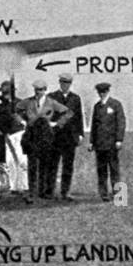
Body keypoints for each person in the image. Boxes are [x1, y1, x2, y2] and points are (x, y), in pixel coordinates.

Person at [15, 80, 70, 200]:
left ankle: (42, 191)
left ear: (45, 90)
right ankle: (32, 192)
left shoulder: (51, 102)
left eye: (41, 90)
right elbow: (16, 110)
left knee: (44, 165)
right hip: (31, 135)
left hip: (45, 135)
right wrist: (22, 121)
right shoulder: (28, 102)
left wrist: (57, 124)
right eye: (36, 90)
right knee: (32, 164)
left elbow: (68, 112)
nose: (38, 92)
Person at [48, 72, 85, 200]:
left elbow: (79, 117)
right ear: (59, 83)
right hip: (55, 137)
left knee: (68, 166)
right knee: (52, 165)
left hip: (70, 137)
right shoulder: (51, 97)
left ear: (70, 84)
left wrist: (80, 134)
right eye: (63, 82)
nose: (65, 85)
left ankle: (65, 191)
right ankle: (50, 191)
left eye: (67, 83)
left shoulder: (75, 98)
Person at [90, 82, 126, 202]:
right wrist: (91, 142)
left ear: (107, 91)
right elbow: (94, 126)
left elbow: (121, 123)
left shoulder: (115, 104)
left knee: (114, 169)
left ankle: (118, 195)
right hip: (100, 144)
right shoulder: (97, 107)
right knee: (101, 170)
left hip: (111, 143)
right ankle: (104, 194)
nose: (101, 94)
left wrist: (119, 139)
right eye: (99, 92)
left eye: (104, 92)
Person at [0, 80, 29, 199]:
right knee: (10, 161)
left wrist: (21, 121)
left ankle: (24, 186)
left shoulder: (21, 103)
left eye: (6, 93)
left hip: (20, 133)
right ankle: (14, 186)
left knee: (22, 161)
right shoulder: (2, 106)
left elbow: (28, 120)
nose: (4, 95)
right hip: (8, 135)